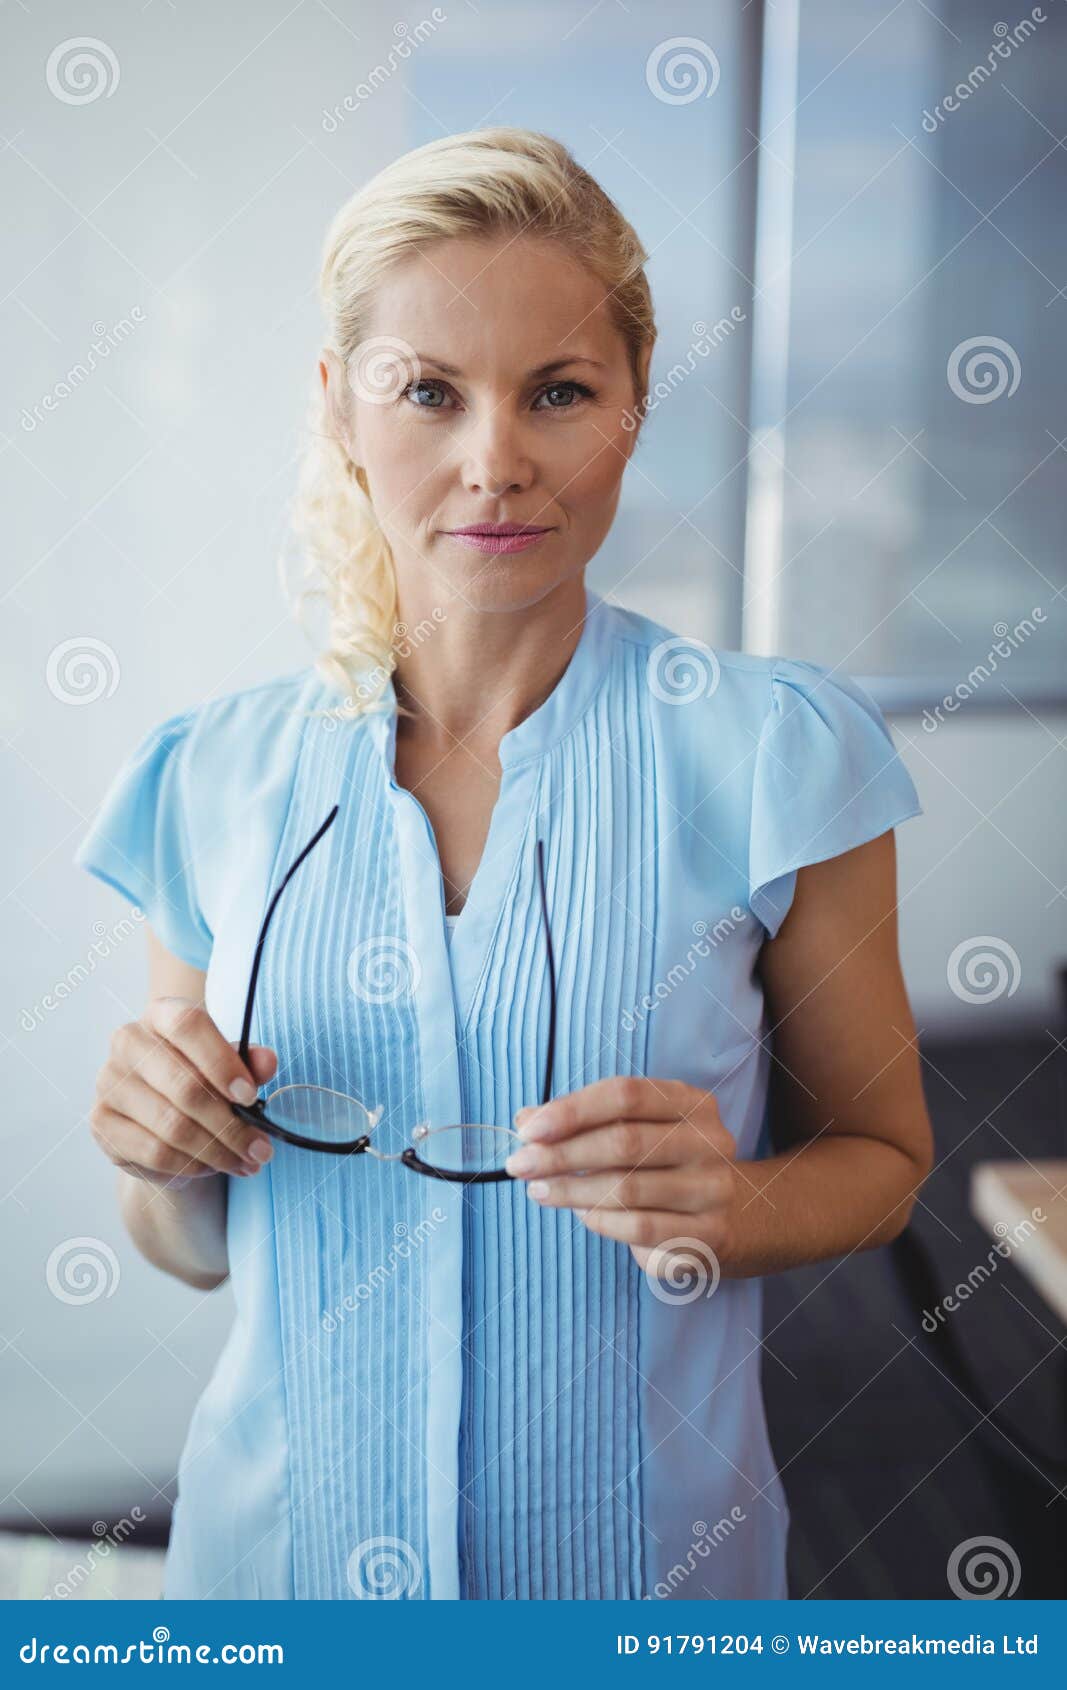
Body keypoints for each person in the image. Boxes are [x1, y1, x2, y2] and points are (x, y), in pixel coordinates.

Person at [75, 126, 933, 1601]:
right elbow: (192, 1244)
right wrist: (153, 1157)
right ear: (339, 407)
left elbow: (887, 1164)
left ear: (634, 405)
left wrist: (730, 1205)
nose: (497, 463)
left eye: (559, 391)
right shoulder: (209, 776)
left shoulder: (780, 759)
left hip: (641, 1589)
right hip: (279, 1585)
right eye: (429, 392)